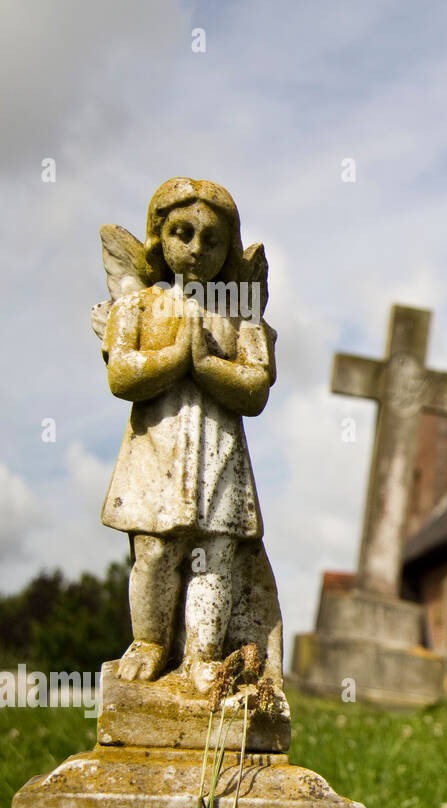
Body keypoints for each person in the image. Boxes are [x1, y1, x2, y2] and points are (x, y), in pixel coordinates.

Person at [100, 178, 275, 694]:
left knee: (215, 555)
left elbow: (255, 387)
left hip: (220, 455)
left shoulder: (238, 312)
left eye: (212, 239)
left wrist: (205, 366)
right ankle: (150, 643)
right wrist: (177, 359)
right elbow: (122, 375)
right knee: (155, 551)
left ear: (228, 249)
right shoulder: (140, 306)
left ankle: (202, 656)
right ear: (158, 238)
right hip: (157, 449)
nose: (197, 249)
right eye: (183, 233)